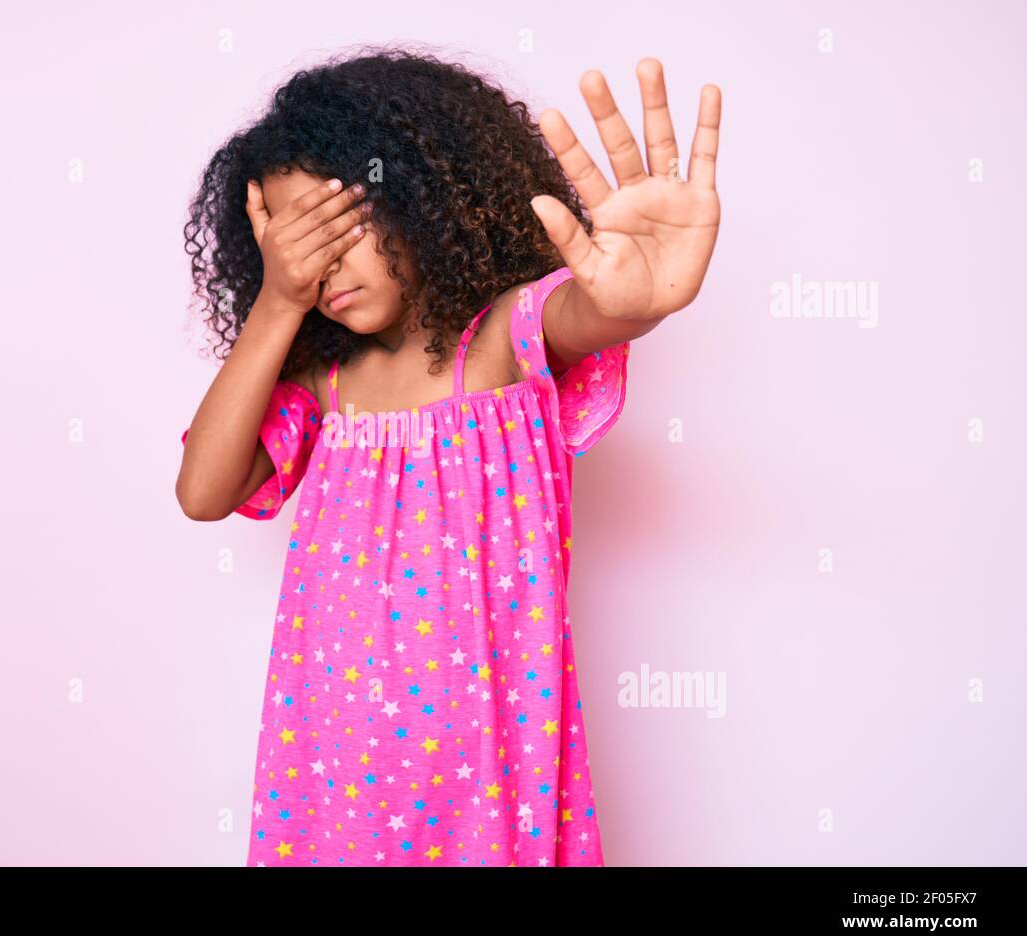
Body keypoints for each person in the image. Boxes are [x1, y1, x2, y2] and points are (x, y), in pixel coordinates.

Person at [176, 47, 722, 865]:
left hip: (490, 781)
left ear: (420, 196)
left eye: (334, 229)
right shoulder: (325, 384)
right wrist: (275, 303)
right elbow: (202, 490)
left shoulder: (500, 343)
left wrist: (630, 303)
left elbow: (582, 314)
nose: (318, 267)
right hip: (331, 776)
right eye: (291, 251)